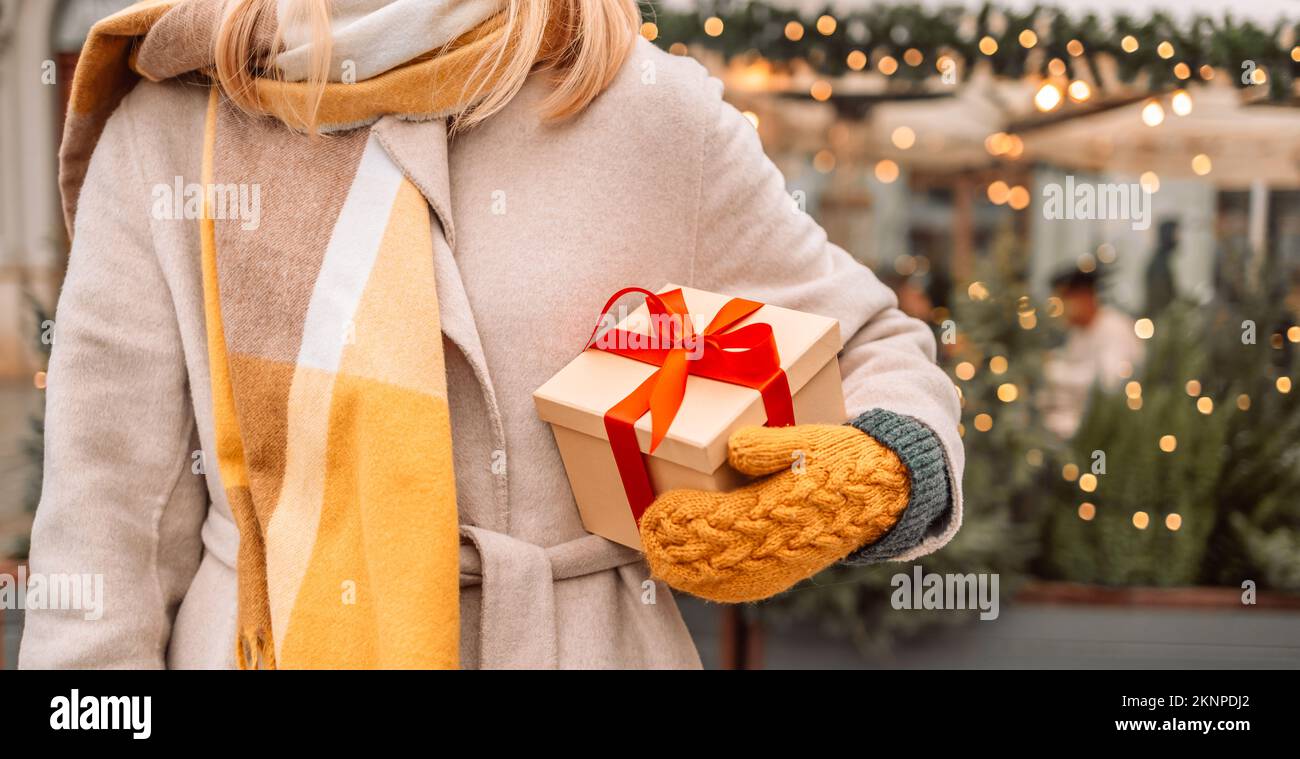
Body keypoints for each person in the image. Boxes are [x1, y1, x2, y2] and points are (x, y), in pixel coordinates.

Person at [21, 0, 963, 669]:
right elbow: (105, 531)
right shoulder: (172, 130)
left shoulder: (649, 110)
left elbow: (874, 346)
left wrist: (880, 472)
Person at [1041, 268, 1145, 439]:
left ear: (1084, 296)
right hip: (1077, 418)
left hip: (1107, 429)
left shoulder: (1114, 328)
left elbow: (1107, 383)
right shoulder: (1078, 332)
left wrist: (1053, 370)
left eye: (1063, 299)